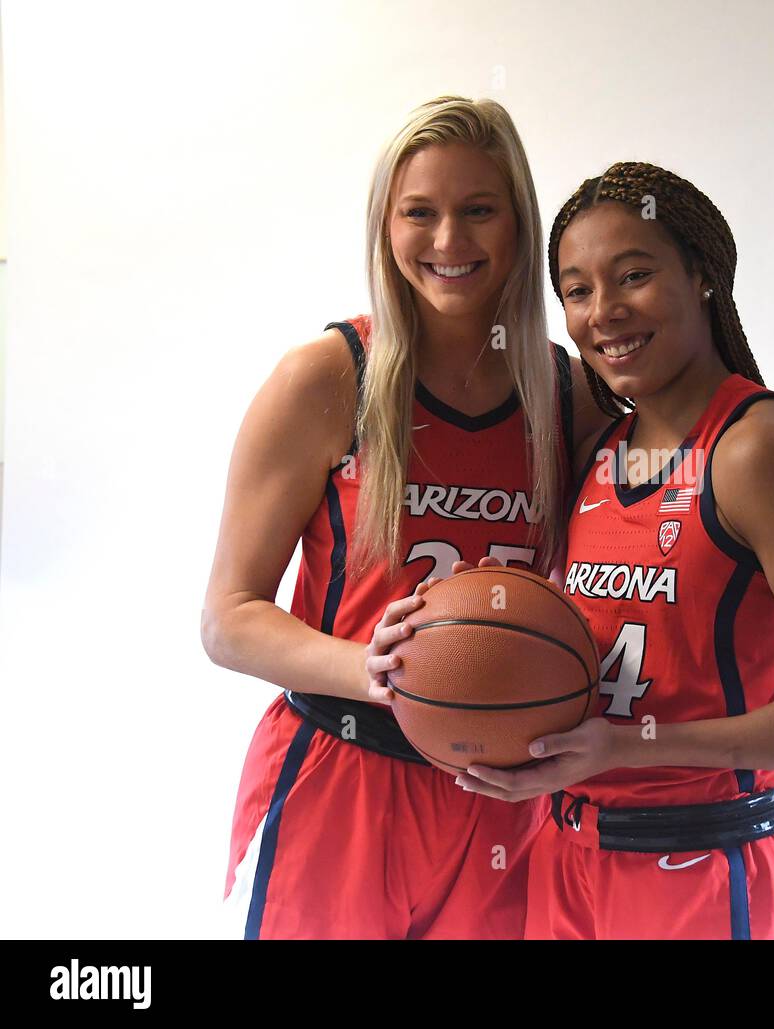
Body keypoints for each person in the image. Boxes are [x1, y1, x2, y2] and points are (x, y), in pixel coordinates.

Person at [449, 162, 774, 940]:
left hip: (708, 869)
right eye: (576, 290)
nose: (605, 312)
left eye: (633, 275)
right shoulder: (598, 450)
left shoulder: (758, 448)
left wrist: (626, 750)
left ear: (701, 274)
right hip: (565, 863)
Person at [200, 97, 610, 939]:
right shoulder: (325, 379)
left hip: (502, 795)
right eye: (420, 212)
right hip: (340, 778)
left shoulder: (570, 397)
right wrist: (368, 669)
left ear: (520, 221)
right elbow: (227, 620)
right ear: (385, 226)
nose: (450, 242)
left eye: (479, 210)